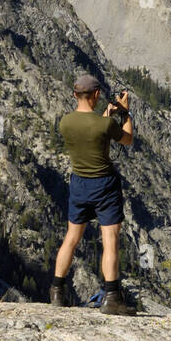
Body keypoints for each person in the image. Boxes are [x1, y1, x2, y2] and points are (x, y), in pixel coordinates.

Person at [50, 73, 137, 315]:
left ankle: (57, 291)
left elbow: (92, 129)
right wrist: (126, 113)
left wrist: (108, 115)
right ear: (97, 94)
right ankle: (112, 298)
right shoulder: (105, 124)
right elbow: (127, 139)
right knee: (110, 240)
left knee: (71, 238)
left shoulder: (65, 122)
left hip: (79, 183)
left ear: (74, 94)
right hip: (105, 185)